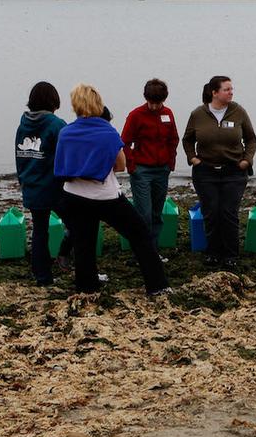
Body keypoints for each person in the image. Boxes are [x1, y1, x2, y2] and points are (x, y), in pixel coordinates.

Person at [55, 83, 170, 295]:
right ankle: (157, 286)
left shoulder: (66, 132)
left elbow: (62, 164)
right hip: (105, 196)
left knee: (83, 243)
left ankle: (87, 287)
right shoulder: (107, 130)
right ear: (98, 104)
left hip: (74, 195)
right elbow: (120, 165)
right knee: (140, 235)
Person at [182, 76, 256, 269]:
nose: (231, 92)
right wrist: (192, 158)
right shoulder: (198, 114)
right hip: (205, 173)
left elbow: (251, 139)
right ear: (214, 92)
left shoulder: (238, 111)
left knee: (228, 212)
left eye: (232, 89)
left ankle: (231, 254)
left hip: (233, 172)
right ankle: (213, 252)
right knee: (211, 212)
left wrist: (246, 160)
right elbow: (187, 139)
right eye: (226, 89)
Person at [15, 82, 67, 285]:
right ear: (53, 101)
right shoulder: (56, 125)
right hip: (54, 188)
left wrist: (23, 181)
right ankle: (65, 257)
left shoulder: (22, 124)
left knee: (39, 231)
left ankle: (42, 276)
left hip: (31, 186)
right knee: (76, 225)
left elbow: (19, 157)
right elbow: (67, 155)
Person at [121, 78, 180, 246]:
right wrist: (132, 166)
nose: (154, 106)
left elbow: (173, 139)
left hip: (162, 170)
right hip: (142, 171)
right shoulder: (135, 115)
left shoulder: (167, 113)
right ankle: (142, 250)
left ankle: (152, 250)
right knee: (143, 214)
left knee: (156, 214)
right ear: (145, 98)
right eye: (151, 102)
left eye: (158, 103)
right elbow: (124, 141)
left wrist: (170, 163)